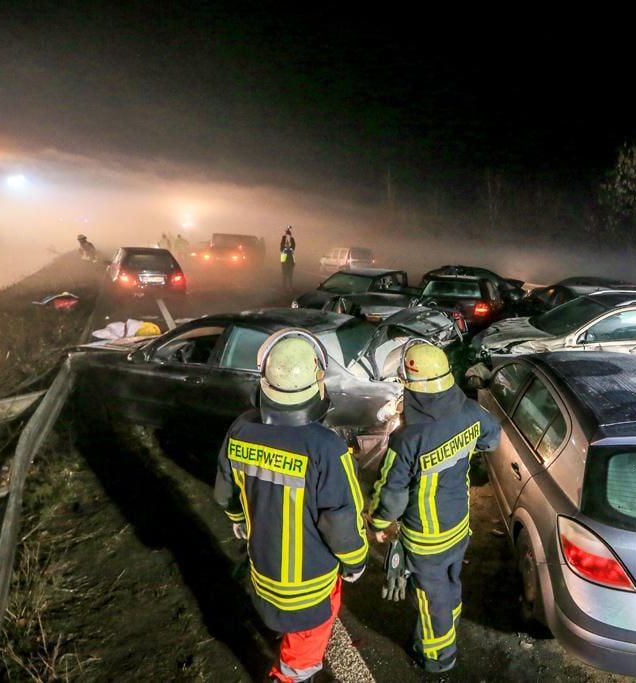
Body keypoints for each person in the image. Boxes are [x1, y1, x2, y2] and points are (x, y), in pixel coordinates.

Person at [214, 328, 368, 682]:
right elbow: (340, 523)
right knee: (302, 654)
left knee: (284, 628)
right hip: (311, 586)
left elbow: (226, 493)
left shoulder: (240, 429)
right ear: (317, 383)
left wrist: (239, 518)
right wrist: (356, 561)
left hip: (263, 573)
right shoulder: (326, 448)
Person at [369, 341, 500, 672]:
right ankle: (447, 625)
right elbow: (492, 438)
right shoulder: (470, 411)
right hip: (459, 524)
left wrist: (380, 524)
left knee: (430, 598)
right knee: (450, 581)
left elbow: (392, 492)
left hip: (426, 536)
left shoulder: (409, 438)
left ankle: (437, 658)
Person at [280, 226, 296, 292]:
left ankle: (290, 288)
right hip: (285, 265)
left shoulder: (290, 249)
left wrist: (291, 236)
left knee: (289, 277)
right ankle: (285, 288)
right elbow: (282, 243)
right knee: (285, 277)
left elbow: (293, 244)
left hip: (290, 265)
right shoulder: (283, 249)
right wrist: (285, 235)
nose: (287, 245)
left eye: (288, 244)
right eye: (286, 244)